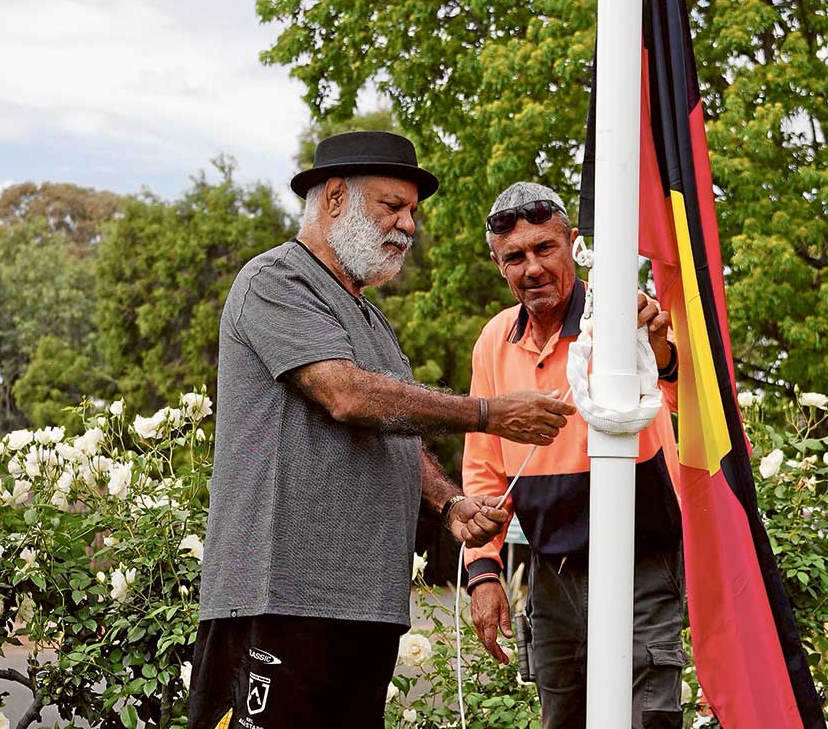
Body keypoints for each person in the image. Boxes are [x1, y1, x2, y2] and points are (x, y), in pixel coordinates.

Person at [188, 133, 575, 729]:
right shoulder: (275, 280)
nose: (408, 225)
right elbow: (345, 395)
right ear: (335, 198)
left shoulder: (370, 317)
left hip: (365, 609)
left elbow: (392, 429)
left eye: (412, 211)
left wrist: (448, 504)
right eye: (392, 206)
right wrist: (488, 413)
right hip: (278, 600)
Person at [463, 182, 688, 729]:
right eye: (515, 256)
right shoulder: (494, 340)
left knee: (647, 720)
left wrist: (659, 348)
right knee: (561, 718)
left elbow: (690, 399)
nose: (533, 268)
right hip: (553, 573)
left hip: (643, 564)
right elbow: (484, 470)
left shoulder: (628, 315)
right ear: (499, 266)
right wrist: (484, 572)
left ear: (573, 243)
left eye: (545, 248)